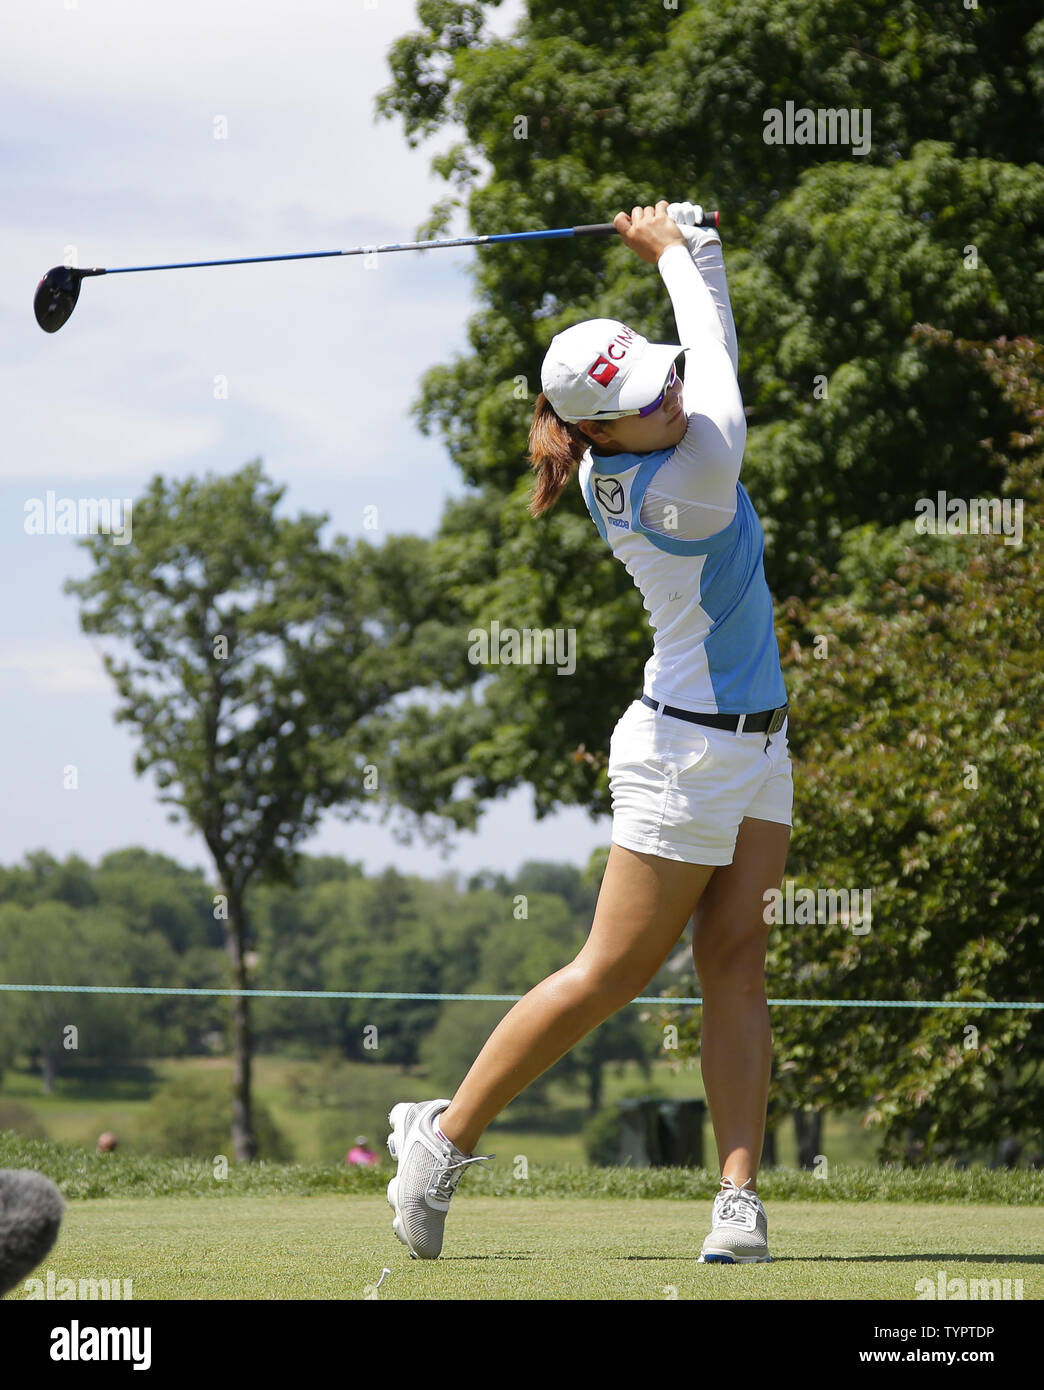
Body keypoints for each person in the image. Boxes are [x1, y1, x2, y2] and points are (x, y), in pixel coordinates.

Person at [386, 199, 793, 1265]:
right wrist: (682, 252)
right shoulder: (672, 481)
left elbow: (706, 361)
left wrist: (693, 257)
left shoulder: (655, 431)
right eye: (646, 396)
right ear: (601, 433)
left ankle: (737, 1200)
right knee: (609, 974)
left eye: (662, 379)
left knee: (738, 963)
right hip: (684, 752)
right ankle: (443, 1139)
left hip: (758, 743)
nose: (670, 393)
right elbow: (720, 375)